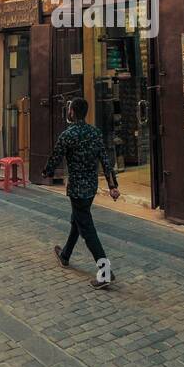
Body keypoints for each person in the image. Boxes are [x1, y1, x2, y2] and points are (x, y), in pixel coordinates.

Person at [43, 96, 120, 290]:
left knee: (87, 230)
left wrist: (47, 172)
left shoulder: (68, 135)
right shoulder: (95, 133)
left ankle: (105, 271)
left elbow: (55, 157)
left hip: (77, 188)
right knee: (77, 220)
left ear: (72, 112)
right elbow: (105, 160)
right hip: (91, 187)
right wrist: (112, 185)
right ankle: (65, 255)